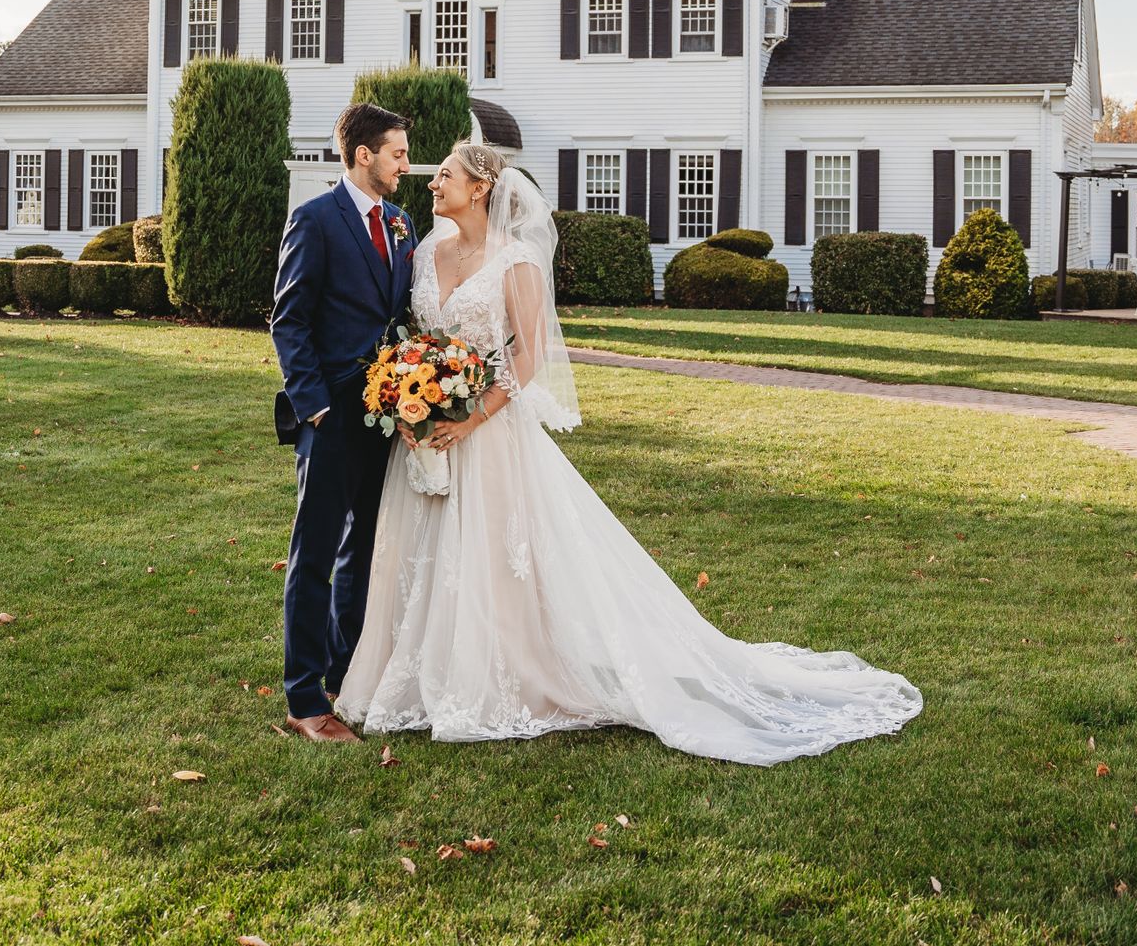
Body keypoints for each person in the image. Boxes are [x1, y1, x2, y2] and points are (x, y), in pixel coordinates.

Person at [335, 140, 922, 766]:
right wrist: (410, 396)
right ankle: (421, 672)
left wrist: (470, 418)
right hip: (427, 437)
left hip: (488, 438)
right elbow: (419, 339)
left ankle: (496, 676)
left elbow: (528, 357)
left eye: (445, 175)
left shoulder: (515, 261)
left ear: (479, 187)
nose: (431, 183)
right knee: (423, 555)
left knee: (487, 559)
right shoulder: (426, 251)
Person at [270, 102, 415, 743]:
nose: (406, 166)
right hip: (330, 416)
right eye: (398, 154)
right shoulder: (315, 220)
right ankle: (305, 700)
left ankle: (345, 669)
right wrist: (316, 407)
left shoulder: (403, 224)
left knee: (364, 549)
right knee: (315, 555)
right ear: (363, 155)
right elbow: (289, 319)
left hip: (386, 414)